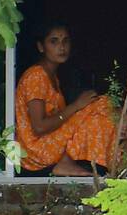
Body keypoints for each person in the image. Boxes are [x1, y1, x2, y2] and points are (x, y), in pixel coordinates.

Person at [15, 21, 116, 176]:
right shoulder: (36, 76)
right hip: (35, 150)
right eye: (54, 41)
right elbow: (39, 127)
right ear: (41, 47)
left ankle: (78, 161)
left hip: (46, 144)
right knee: (103, 104)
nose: (61, 47)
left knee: (101, 105)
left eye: (65, 41)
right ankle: (67, 162)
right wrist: (76, 106)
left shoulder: (52, 77)